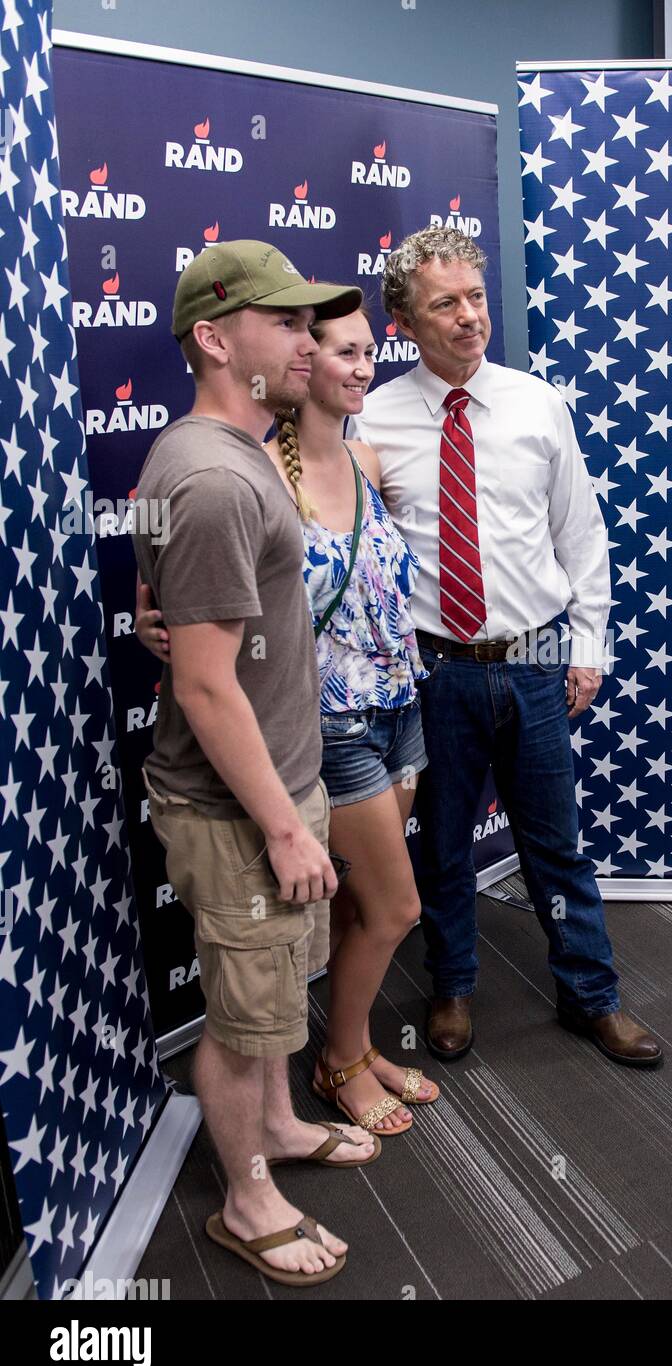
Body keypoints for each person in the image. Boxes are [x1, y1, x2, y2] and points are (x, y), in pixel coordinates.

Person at [352, 227, 663, 1068]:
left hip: (534, 663)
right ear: (404, 323)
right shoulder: (371, 420)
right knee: (443, 844)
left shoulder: (536, 404)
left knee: (556, 846)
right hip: (435, 671)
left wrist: (588, 647)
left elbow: (580, 533)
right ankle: (451, 986)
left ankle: (592, 996)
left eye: (476, 297)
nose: (469, 317)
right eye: (444, 304)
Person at [133, 240, 374, 1289]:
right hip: (239, 811)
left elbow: (194, 621)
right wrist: (281, 825)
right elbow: (203, 687)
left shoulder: (229, 454)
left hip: (276, 781)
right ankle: (246, 1198)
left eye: (307, 323)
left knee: (273, 996)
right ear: (215, 339)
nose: (306, 342)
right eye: (283, 323)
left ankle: (275, 1124)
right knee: (242, 1021)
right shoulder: (213, 476)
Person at [141, 298, 441, 1136]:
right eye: (340, 350)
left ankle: (356, 1045)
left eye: (367, 352)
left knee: (358, 908)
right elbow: (178, 589)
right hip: (327, 726)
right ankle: (339, 1061)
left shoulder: (368, 459)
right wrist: (153, 622)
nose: (359, 367)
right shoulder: (257, 474)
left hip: (398, 709)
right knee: (396, 908)